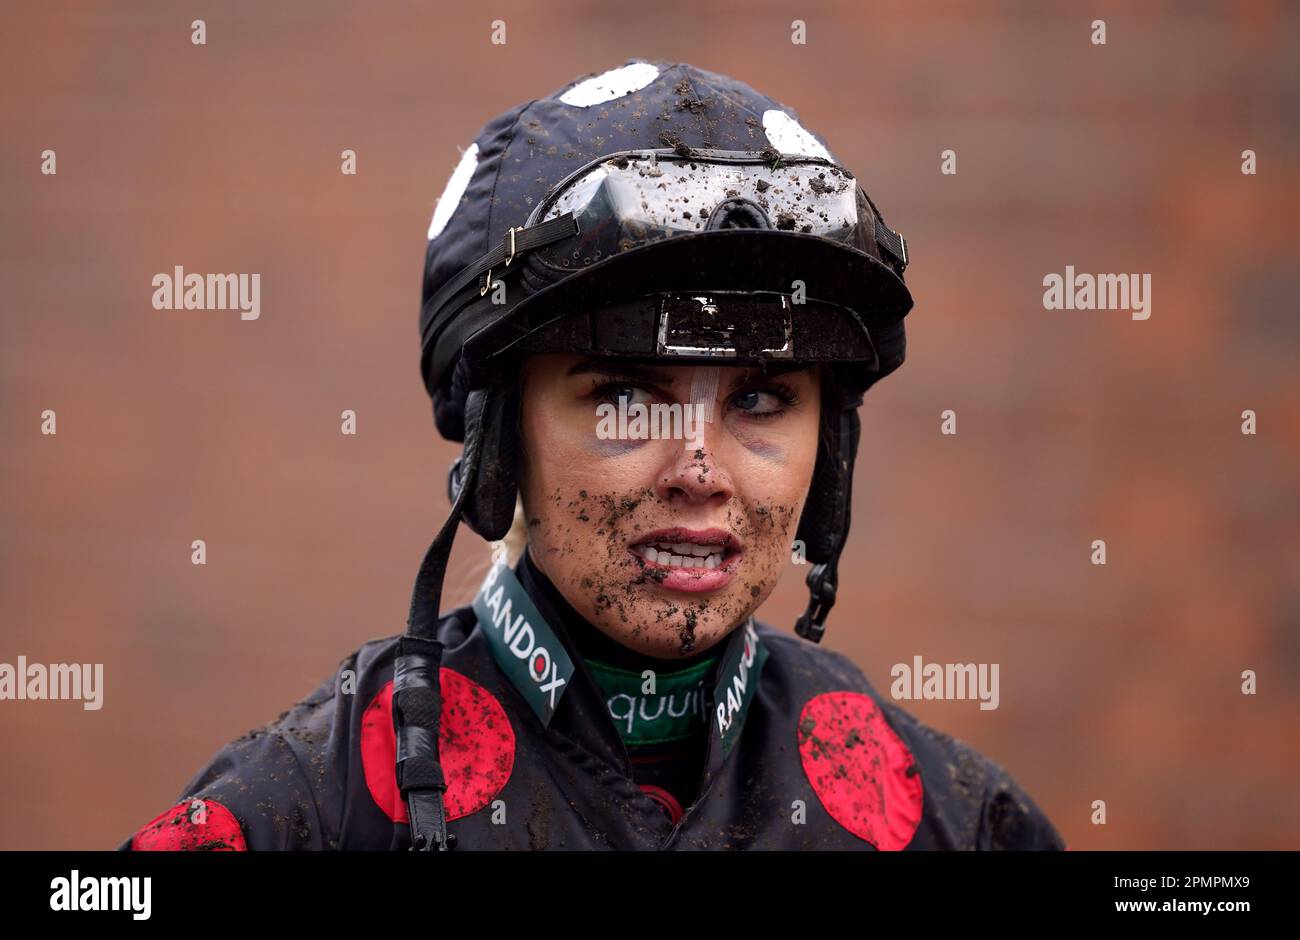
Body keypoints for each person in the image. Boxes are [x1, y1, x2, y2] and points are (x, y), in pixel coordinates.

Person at [119, 60, 1065, 851]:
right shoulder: (311, 810)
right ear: (501, 442)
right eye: (623, 395)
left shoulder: (942, 816)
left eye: (763, 397)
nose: (700, 470)